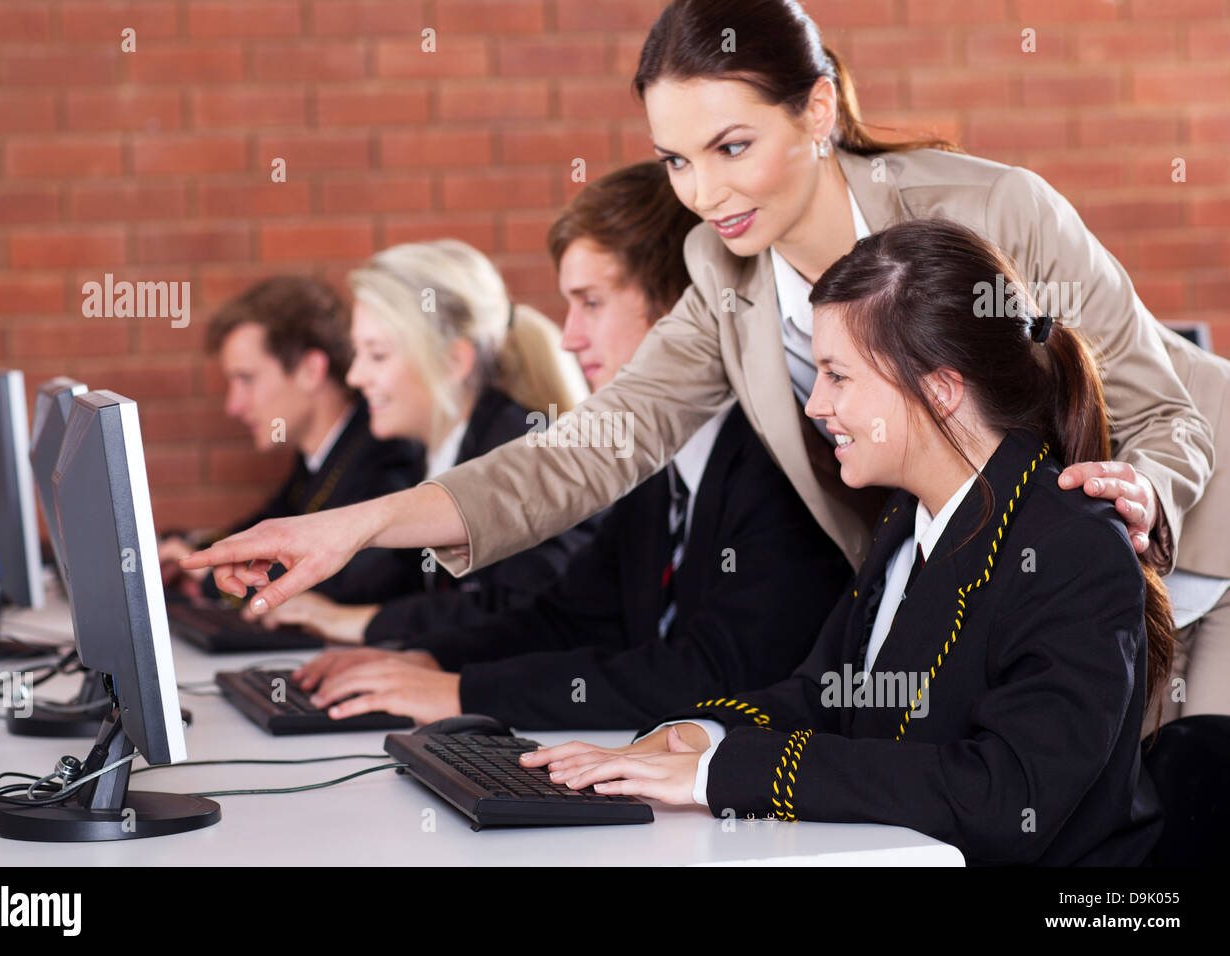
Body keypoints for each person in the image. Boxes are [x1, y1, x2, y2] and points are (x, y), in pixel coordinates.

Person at [181, 0, 1229, 723]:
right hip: (1011, 592)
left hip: (1198, 560)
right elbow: (589, 448)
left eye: (732, 147)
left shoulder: (996, 209)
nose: (705, 192)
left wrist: (1146, 488)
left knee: (1154, 818)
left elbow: (1166, 409)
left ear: (816, 111)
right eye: (677, 160)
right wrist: (353, 523)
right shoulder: (721, 267)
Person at [522, 219, 1174, 867]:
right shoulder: (906, 517)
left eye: (838, 375)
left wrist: (720, 774)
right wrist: (697, 736)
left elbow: (1006, 796)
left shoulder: (1071, 543)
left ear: (940, 390)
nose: (814, 404)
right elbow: (828, 694)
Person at [289, 162, 850, 727]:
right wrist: (430, 661)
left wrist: (462, 694)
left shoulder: (775, 464)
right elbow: (569, 618)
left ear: (688, 309)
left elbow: (716, 673)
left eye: (592, 302)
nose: (570, 336)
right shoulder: (659, 466)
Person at [246, 239, 596, 643]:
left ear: (453, 362)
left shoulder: (521, 454)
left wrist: (354, 622)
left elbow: (521, 614)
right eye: (357, 353)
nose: (356, 377)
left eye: (377, 355)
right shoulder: (434, 454)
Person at [157, 275, 425, 605]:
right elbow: (262, 530)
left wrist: (209, 579)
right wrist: (189, 551)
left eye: (247, 379)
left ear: (311, 370)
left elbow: (358, 581)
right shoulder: (317, 457)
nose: (233, 406)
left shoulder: (385, 454)